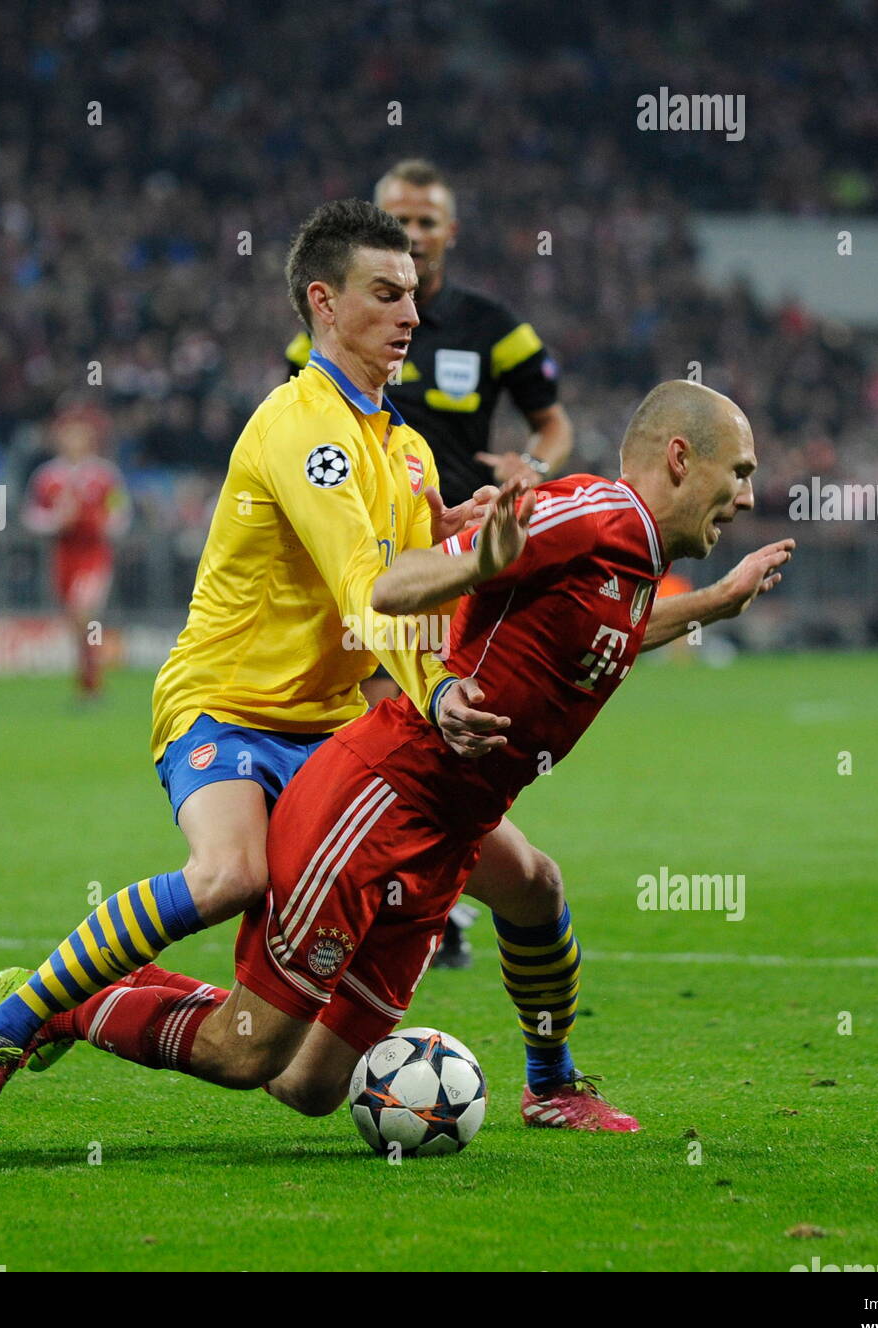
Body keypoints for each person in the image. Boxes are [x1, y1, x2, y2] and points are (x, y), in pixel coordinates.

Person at [0, 382, 794, 1137]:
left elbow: (599, 641)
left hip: (453, 828)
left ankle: (551, 1086)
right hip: (383, 798)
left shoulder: (635, 553)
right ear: (680, 458)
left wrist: (714, 607)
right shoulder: (590, 514)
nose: (749, 496)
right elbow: (394, 591)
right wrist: (475, 561)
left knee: (311, 1084)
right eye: (741, 471)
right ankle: (62, 1008)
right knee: (244, 1054)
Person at [290, 165, 572, 969]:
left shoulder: (495, 327)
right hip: (378, 563)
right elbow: (308, 444)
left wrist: (530, 466)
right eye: (398, 218)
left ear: (451, 232)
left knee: (449, 722)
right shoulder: (331, 336)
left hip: (466, 557)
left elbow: (553, 423)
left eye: (427, 220)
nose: (412, 231)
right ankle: (420, 892)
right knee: (407, 714)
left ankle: (426, 884)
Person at [23, 403, 129, 700]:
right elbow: (32, 517)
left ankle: (92, 682)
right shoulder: (47, 476)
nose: (73, 439)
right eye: (68, 434)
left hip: (93, 555)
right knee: (74, 622)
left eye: (79, 434)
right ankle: (87, 681)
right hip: (63, 556)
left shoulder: (105, 475)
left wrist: (94, 519)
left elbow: (120, 515)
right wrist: (57, 520)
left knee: (85, 613)